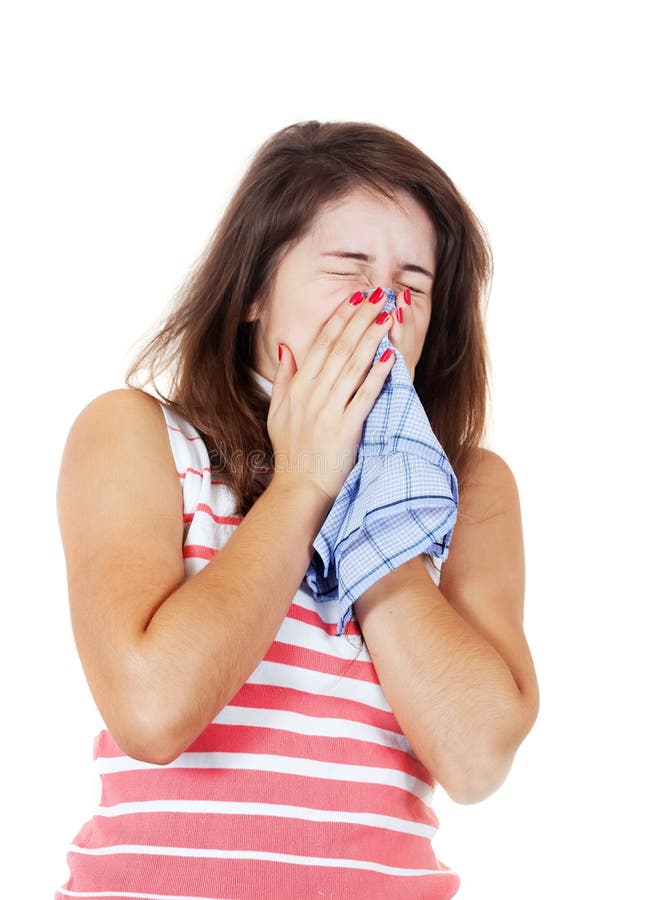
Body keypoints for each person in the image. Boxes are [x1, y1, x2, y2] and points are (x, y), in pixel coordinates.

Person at [54, 120, 539, 899]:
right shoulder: (137, 436)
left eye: (414, 285)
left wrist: (377, 491)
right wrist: (304, 481)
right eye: (349, 269)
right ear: (253, 291)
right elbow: (151, 710)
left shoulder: (470, 488)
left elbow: (477, 759)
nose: (383, 307)